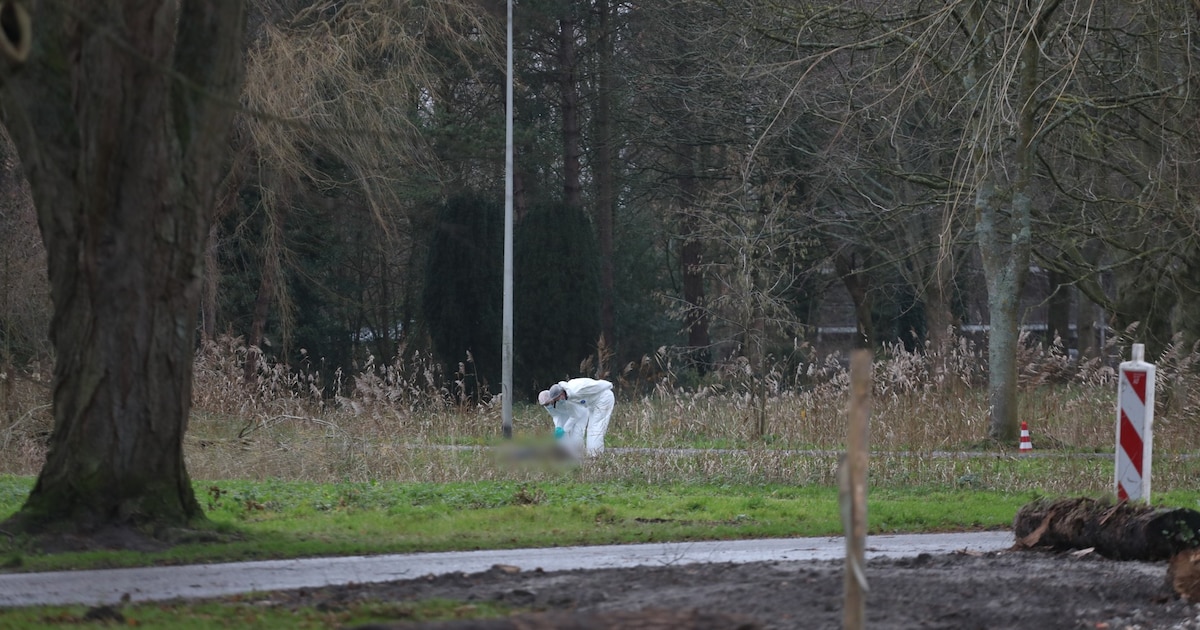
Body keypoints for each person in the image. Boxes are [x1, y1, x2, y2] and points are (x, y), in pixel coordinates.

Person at [536, 377, 615, 457]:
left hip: (604, 398)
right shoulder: (567, 397)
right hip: (591, 404)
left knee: (596, 428)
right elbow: (556, 415)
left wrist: (609, 385)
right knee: (591, 429)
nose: (558, 401)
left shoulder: (577, 389)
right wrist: (558, 428)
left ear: (561, 394)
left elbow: (597, 386)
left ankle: (595, 456)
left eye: (558, 399)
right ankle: (591, 455)